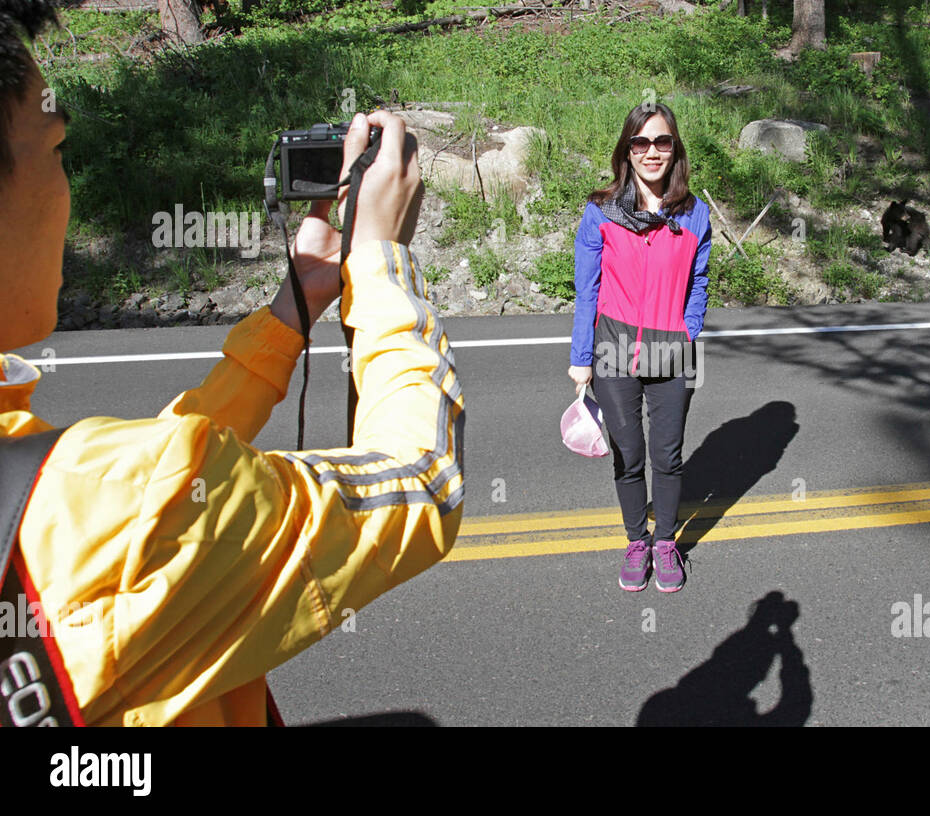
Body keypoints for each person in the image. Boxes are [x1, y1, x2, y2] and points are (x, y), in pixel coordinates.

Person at [0, 1, 464, 725]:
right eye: (56, 151)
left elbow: (145, 493)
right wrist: (381, 262)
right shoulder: (116, 509)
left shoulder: (83, 496)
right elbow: (422, 484)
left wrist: (283, 326)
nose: (66, 184)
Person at [567, 102, 711, 593]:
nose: (653, 152)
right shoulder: (600, 212)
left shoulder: (693, 215)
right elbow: (586, 290)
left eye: (663, 141)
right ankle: (636, 540)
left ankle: (666, 542)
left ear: (675, 149)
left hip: (674, 350)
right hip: (613, 348)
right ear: (627, 150)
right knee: (628, 452)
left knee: (667, 455)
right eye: (641, 142)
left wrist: (689, 329)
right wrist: (580, 357)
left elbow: (699, 281)